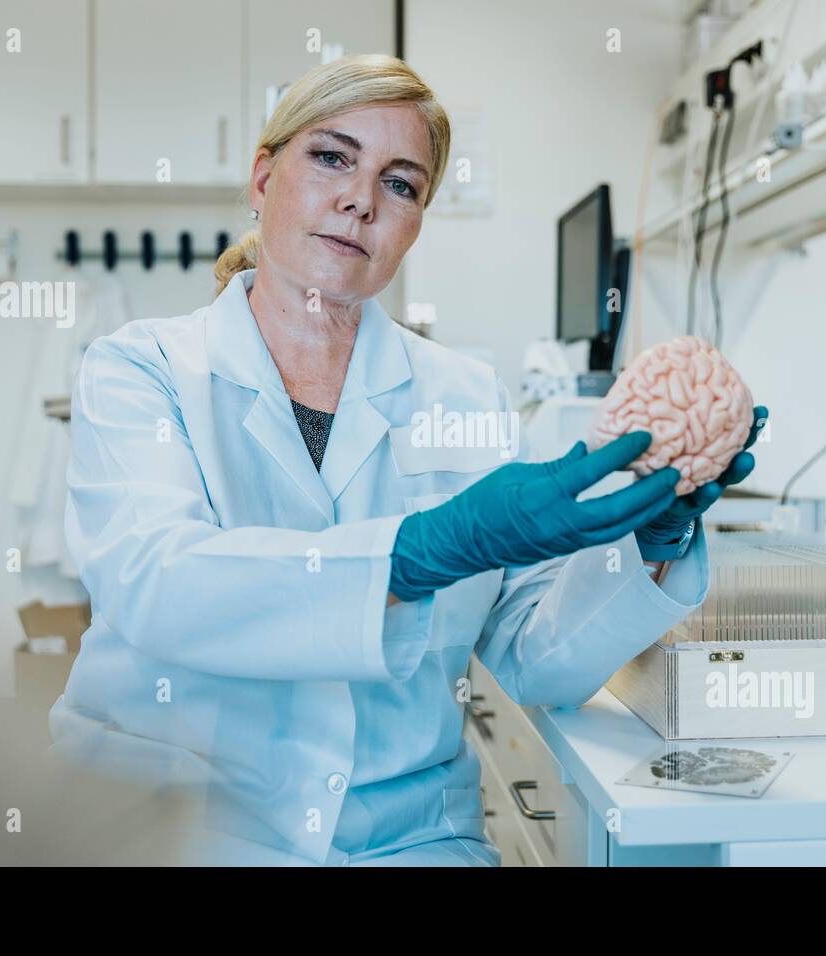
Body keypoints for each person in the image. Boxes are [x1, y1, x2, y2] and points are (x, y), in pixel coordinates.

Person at [49, 53, 766, 866]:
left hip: (404, 837)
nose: (359, 199)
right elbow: (158, 584)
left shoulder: (468, 399)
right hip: (172, 821)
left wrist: (649, 547)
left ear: (417, 221)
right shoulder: (142, 369)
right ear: (262, 178)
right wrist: (423, 551)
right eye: (331, 157)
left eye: (401, 184)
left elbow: (533, 659)